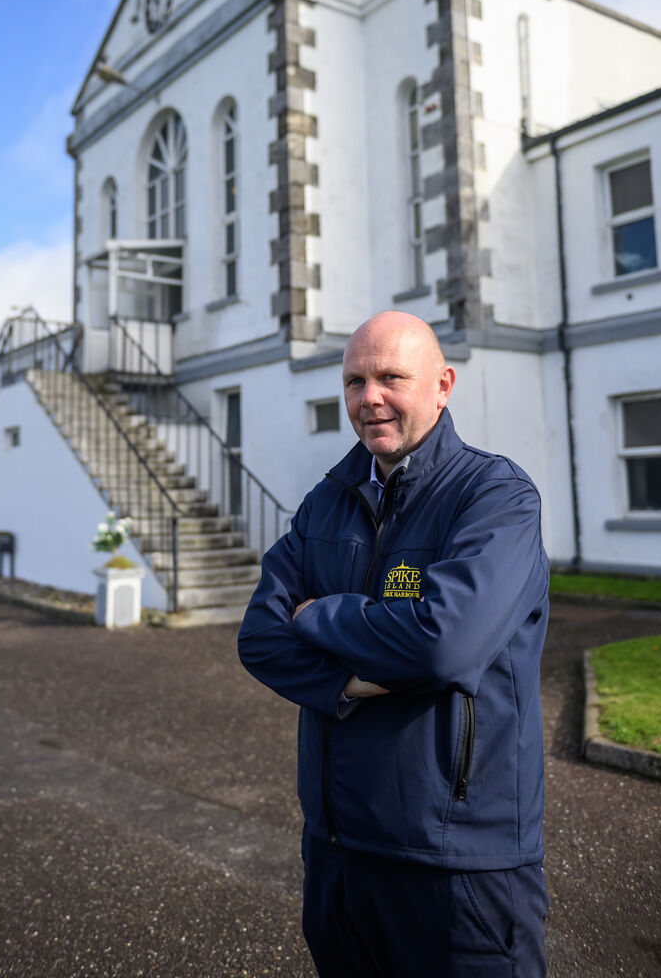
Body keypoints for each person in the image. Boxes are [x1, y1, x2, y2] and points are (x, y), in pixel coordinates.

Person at [237, 310, 550, 977]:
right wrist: (349, 683)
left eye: (390, 378)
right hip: (338, 854)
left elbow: (444, 644)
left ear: (442, 385)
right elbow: (260, 638)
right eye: (354, 381)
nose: (368, 398)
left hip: (457, 865)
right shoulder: (327, 501)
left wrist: (321, 616)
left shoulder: (495, 497)